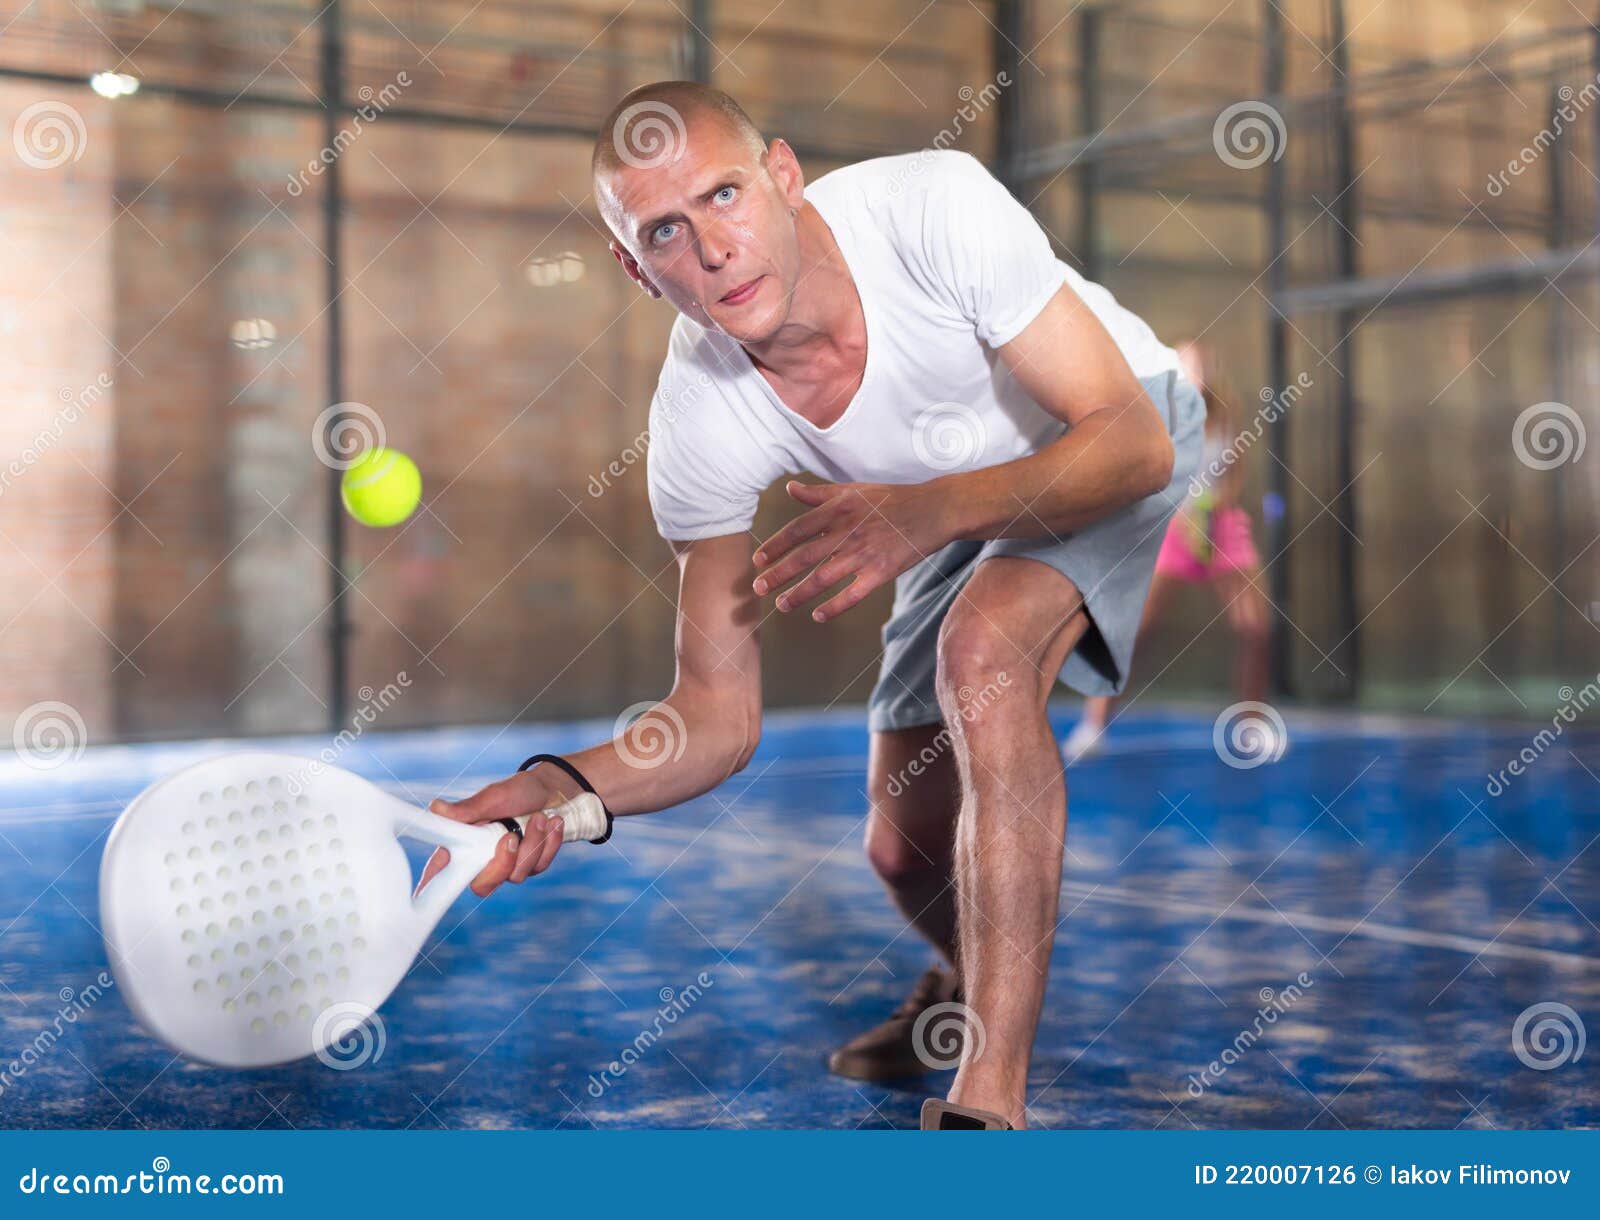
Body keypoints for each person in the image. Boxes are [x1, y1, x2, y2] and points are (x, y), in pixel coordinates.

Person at [420, 80, 1203, 1130]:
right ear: (634, 266)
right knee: (900, 849)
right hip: (931, 502)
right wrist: (559, 784)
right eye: (664, 229)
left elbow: (1128, 442)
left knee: (981, 651)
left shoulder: (931, 208)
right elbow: (711, 715)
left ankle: (990, 1099)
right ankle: (961, 977)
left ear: (784, 176)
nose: (711, 247)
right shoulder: (700, 420)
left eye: (725, 196)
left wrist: (922, 515)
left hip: (1102, 427)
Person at [1060, 339, 1270, 765]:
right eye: (1183, 363)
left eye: (1199, 363)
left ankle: (1252, 726)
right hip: (1171, 527)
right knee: (1135, 630)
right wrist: (1182, 516)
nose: (1194, 370)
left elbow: (1235, 471)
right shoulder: (1154, 414)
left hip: (1222, 526)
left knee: (1255, 627)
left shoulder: (1227, 412)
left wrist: (1215, 510)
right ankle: (1093, 725)